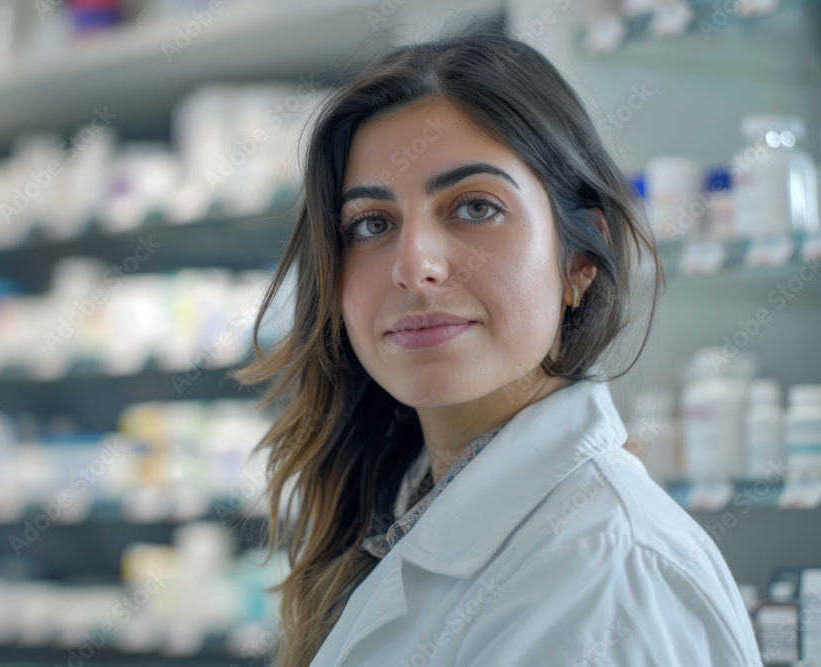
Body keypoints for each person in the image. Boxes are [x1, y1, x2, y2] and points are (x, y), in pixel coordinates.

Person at [228, 16, 762, 667]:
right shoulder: (403, 510)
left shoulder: (609, 576)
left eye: (474, 207)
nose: (414, 264)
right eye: (371, 223)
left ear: (577, 260)